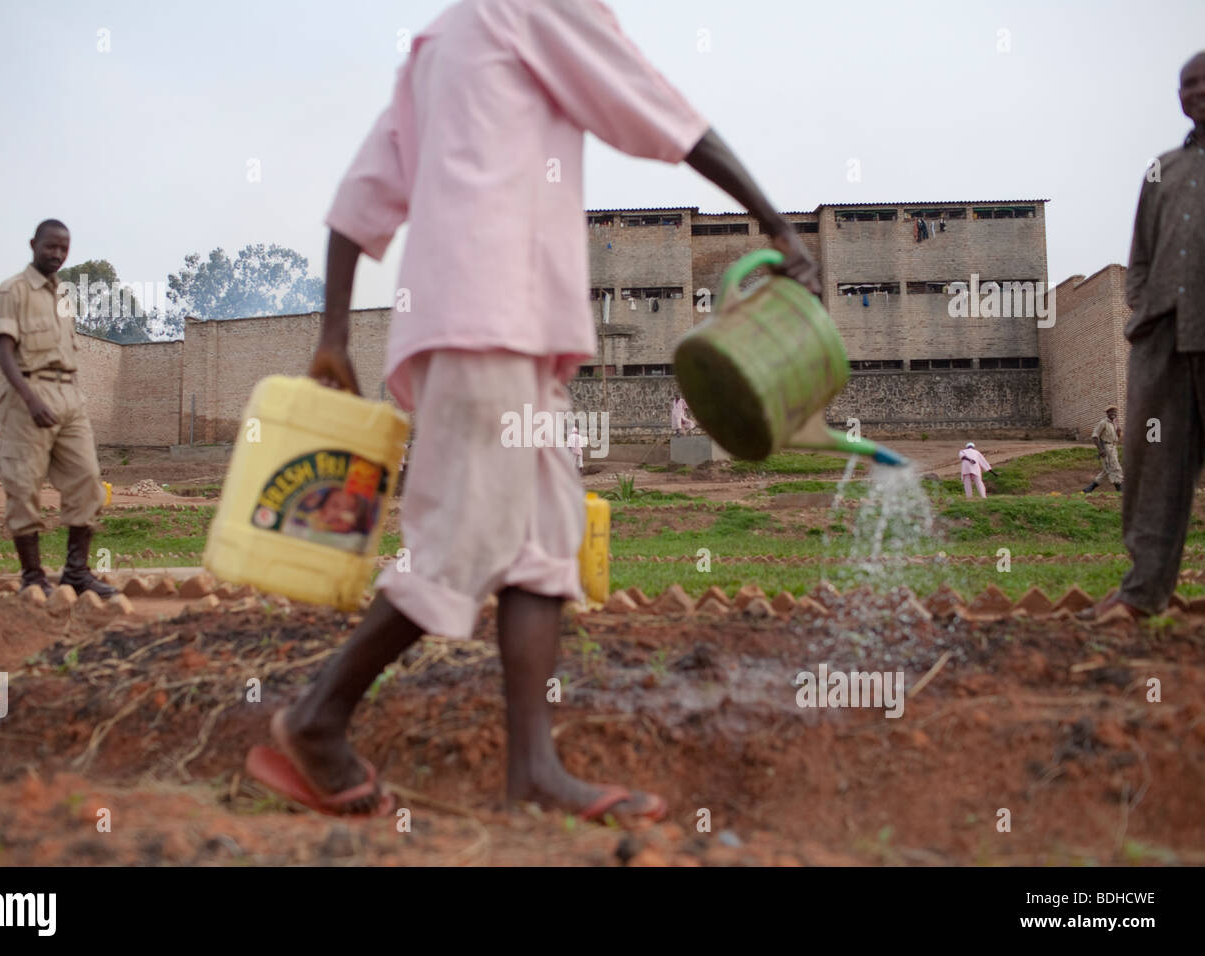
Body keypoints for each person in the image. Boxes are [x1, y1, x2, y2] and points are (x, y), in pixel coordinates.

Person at [246, 0, 821, 823]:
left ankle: (532, 774)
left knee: (543, 540)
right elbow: (661, 111)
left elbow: (359, 197)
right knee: (464, 535)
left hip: (507, 333)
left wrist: (336, 333)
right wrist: (777, 225)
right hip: (490, 316)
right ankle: (317, 719)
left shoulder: (439, 41)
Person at [1081, 51, 1205, 621]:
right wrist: (1141, 315)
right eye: (1187, 85)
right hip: (1164, 338)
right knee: (1153, 466)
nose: (1195, 92)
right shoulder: (1164, 171)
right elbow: (1140, 258)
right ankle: (1142, 594)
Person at [0, 219, 117, 598]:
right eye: (51, 247)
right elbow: (4, 349)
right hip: (28, 393)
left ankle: (76, 573)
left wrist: (73, 397)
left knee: (87, 480)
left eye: (64, 248)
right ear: (34, 244)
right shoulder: (13, 290)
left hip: (69, 397)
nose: (58, 254)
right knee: (24, 485)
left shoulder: (64, 296)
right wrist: (30, 398)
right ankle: (32, 578)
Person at [1082, 405, 1122, 493]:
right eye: (1111, 412)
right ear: (1107, 413)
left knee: (1107, 470)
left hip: (1114, 447)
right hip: (1106, 447)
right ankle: (1120, 489)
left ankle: (1089, 489)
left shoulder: (1114, 423)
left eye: (1115, 412)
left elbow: (1117, 437)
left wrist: (1118, 431)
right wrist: (1101, 450)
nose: (1113, 414)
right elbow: (1095, 437)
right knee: (1116, 467)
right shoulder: (1103, 423)